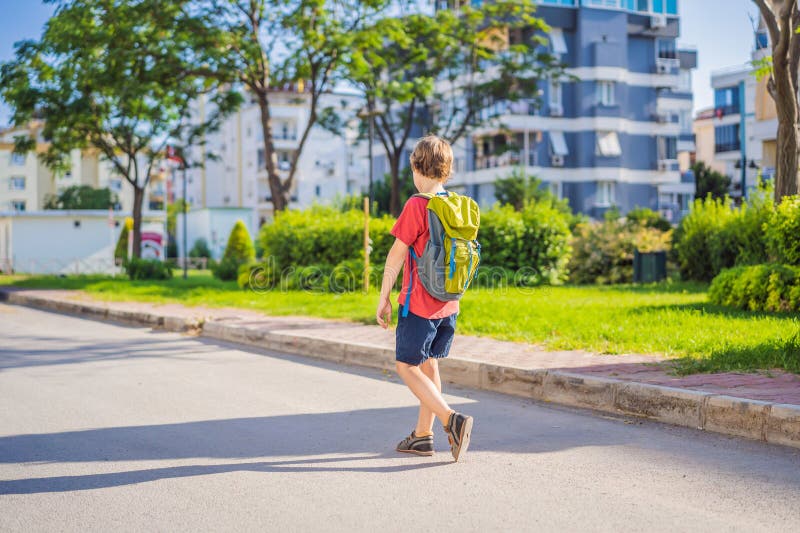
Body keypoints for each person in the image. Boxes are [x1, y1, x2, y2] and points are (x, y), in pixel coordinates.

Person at [375, 135, 473, 462]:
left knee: (405, 365)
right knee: (429, 364)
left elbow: (396, 255)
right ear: (446, 171)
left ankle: (450, 419)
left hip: (418, 302)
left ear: (417, 168)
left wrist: (384, 296)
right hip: (448, 303)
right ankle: (422, 437)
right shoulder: (456, 206)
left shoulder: (418, 205)